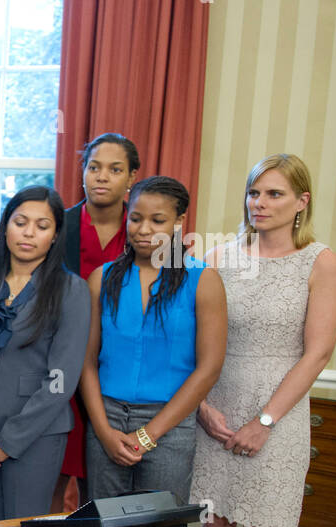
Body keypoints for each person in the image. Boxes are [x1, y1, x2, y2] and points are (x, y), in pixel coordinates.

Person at [191, 154, 336, 527]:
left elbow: (318, 354)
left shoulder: (320, 261)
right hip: (217, 405)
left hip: (280, 412)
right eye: (254, 193)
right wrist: (201, 408)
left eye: (275, 193)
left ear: (301, 202)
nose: (260, 202)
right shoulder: (219, 258)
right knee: (214, 522)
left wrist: (265, 421)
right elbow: (195, 342)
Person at [79, 176, 227, 504]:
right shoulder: (101, 279)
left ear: (178, 222)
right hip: (107, 419)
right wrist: (102, 430)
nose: (144, 229)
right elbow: (86, 362)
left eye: (157, 220)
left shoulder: (203, 280)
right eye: (135, 218)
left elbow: (209, 368)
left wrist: (149, 434)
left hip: (170, 425)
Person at [0, 187, 90, 521]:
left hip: (37, 436)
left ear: (56, 235)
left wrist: (9, 441)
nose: (29, 233)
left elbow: (62, 379)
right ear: (5, 226)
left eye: (42, 226)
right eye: (20, 222)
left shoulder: (71, 290)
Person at [58, 133, 141, 510]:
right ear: (83, 173)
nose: (102, 177)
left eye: (115, 169)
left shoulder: (152, 231)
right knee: (46, 490)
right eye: (94, 167)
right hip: (56, 376)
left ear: (131, 178)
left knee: (104, 501)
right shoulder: (55, 225)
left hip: (118, 383)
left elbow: (176, 300)